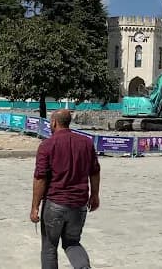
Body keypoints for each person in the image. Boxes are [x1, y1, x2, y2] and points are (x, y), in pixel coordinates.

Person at [31, 109, 101, 269]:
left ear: (54, 122)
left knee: (49, 247)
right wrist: (95, 195)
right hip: (79, 205)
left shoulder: (47, 145)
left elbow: (40, 178)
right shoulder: (86, 143)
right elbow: (95, 171)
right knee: (72, 243)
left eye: (50, 122)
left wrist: (34, 206)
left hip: (55, 204)